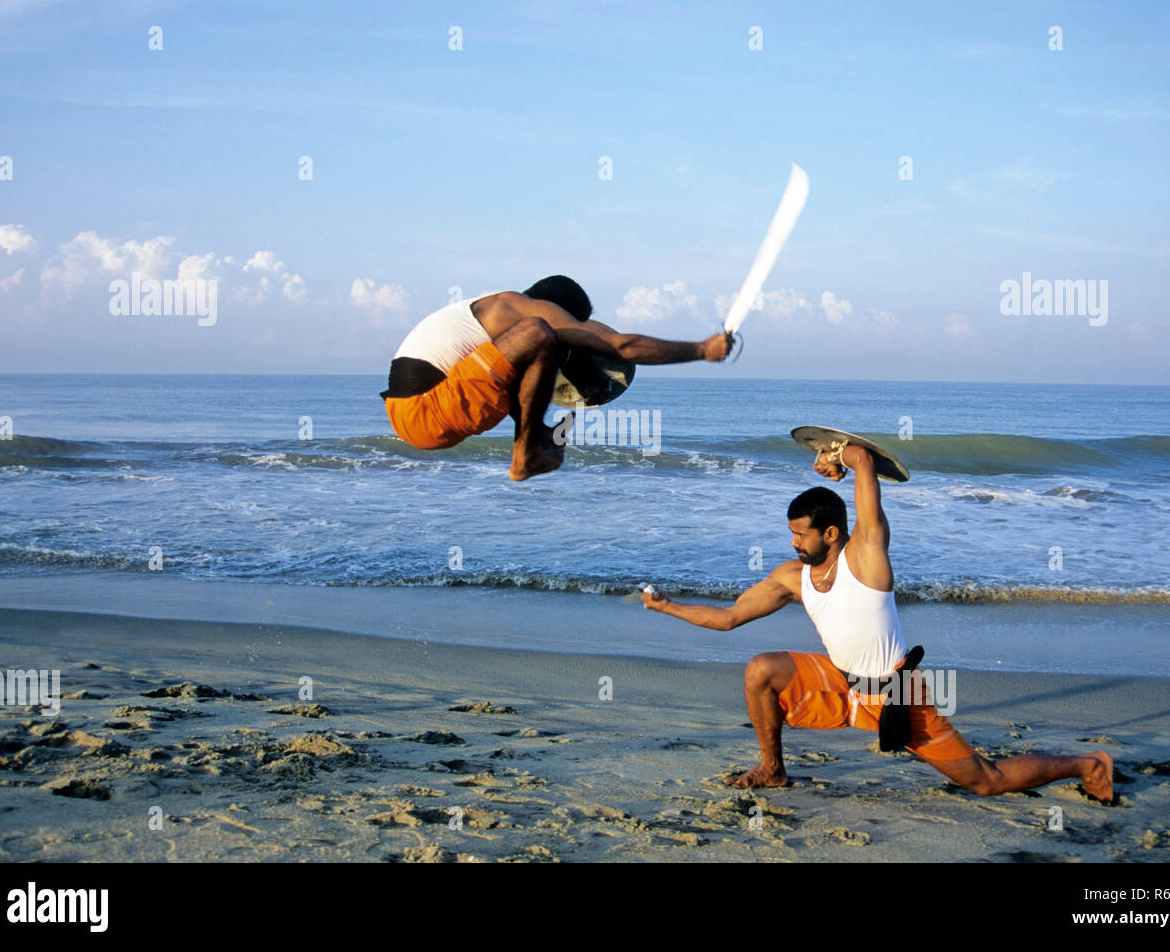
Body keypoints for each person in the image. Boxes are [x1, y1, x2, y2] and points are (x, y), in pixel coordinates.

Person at [641, 442, 1115, 802]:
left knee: (984, 781)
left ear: (831, 533)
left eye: (800, 535)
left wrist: (839, 457)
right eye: (790, 535)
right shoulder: (793, 577)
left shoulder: (866, 556)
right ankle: (772, 769)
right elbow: (728, 618)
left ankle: (1089, 764)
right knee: (760, 669)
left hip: (896, 692)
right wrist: (667, 607)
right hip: (838, 679)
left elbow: (866, 462)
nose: (792, 545)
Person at [380, 276, 730, 480]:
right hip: (426, 410)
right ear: (552, 304)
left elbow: (522, 376)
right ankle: (526, 453)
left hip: (420, 416)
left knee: (532, 352)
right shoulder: (522, 308)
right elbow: (623, 346)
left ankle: (538, 440)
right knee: (538, 333)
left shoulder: (491, 319)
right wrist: (701, 350)